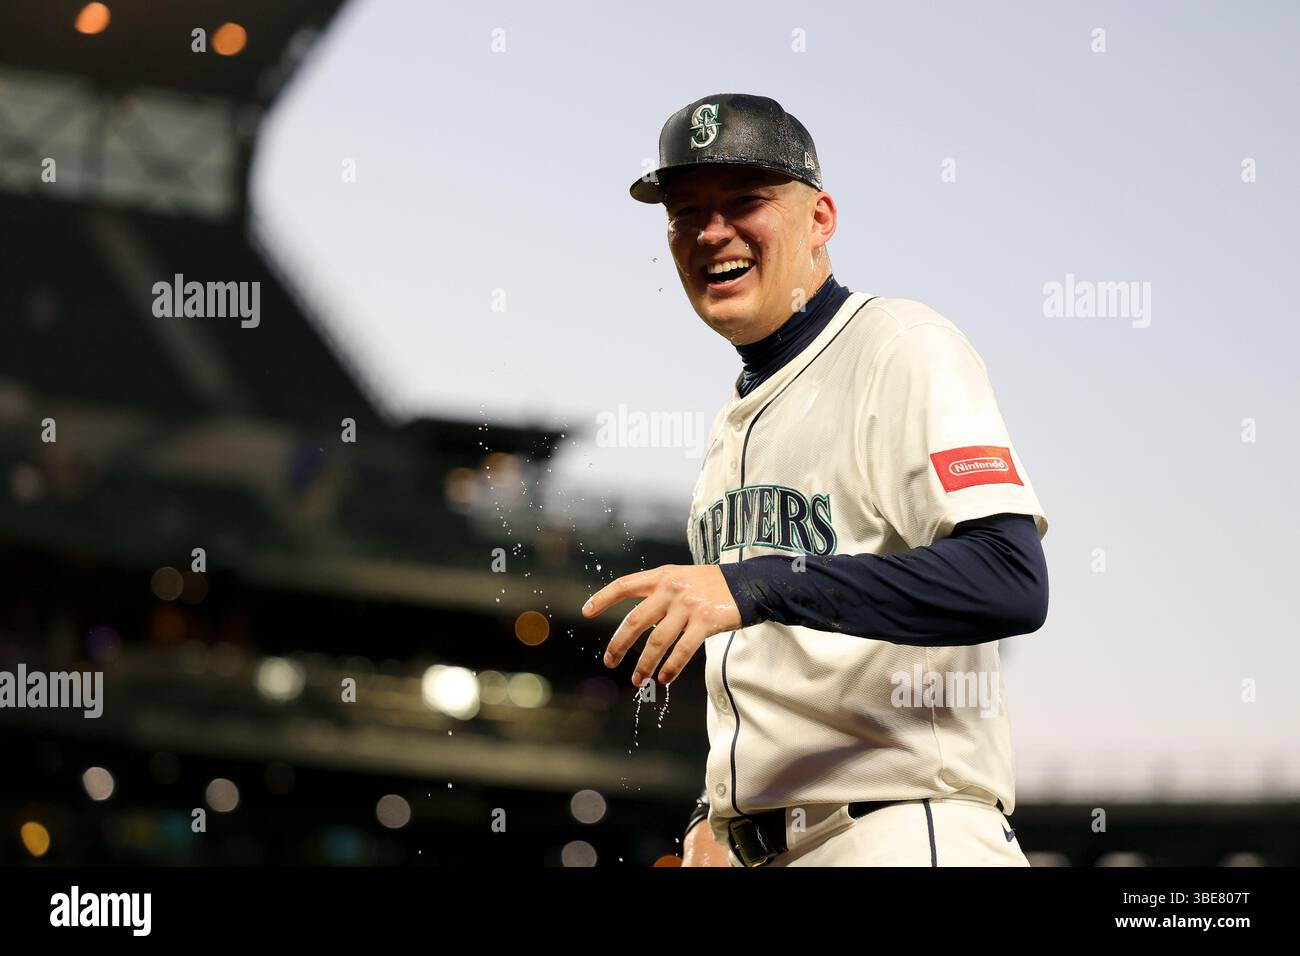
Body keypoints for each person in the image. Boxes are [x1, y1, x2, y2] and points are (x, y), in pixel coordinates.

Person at [582, 93, 1049, 866]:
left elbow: (1009, 578)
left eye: (745, 202)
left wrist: (759, 582)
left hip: (901, 830)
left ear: (821, 218)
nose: (711, 232)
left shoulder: (900, 345)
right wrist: (716, 815)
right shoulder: (736, 418)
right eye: (686, 212)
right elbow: (787, 663)